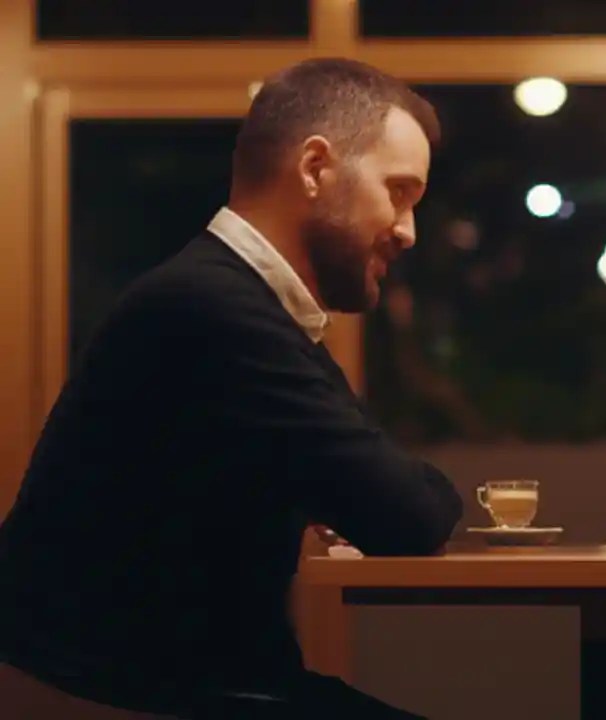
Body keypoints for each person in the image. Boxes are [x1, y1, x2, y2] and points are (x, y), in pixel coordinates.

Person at [0, 58, 461, 719]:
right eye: (398, 192)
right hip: (111, 694)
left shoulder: (238, 302)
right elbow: (409, 514)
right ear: (313, 168)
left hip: (169, 684)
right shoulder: (216, 311)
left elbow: (369, 480)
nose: (408, 230)